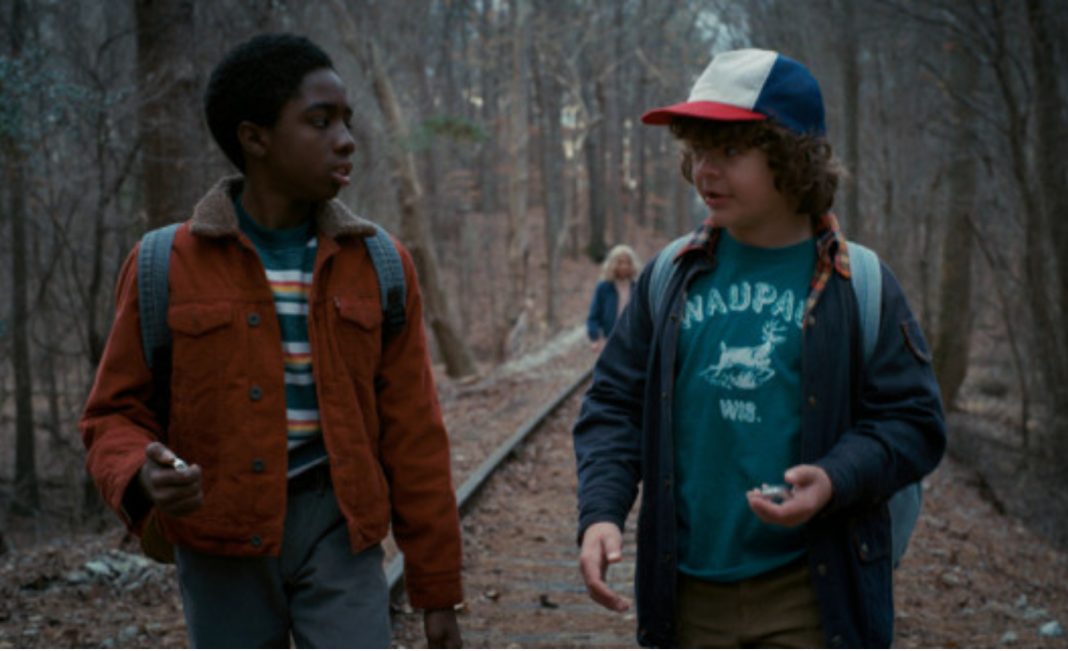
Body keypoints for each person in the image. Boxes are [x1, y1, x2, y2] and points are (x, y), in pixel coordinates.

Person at [80, 34, 463, 648]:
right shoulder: (164, 263)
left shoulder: (379, 264)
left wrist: (437, 588)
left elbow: (414, 432)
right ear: (255, 139)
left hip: (340, 528)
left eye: (346, 120)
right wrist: (142, 475)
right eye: (320, 121)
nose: (346, 138)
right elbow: (111, 415)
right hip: (219, 536)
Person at [572, 48, 946, 648]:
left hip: (813, 597)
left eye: (729, 151)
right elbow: (614, 405)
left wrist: (835, 477)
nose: (705, 171)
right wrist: (601, 512)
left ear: (792, 156)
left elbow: (915, 423)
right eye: (697, 150)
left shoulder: (860, 286)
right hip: (685, 597)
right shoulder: (669, 277)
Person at [586, 244, 641, 351]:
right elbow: (593, 316)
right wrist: (594, 338)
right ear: (613, 264)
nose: (624, 266)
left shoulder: (637, 287)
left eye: (627, 262)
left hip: (633, 340)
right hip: (610, 339)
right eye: (620, 262)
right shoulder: (604, 287)